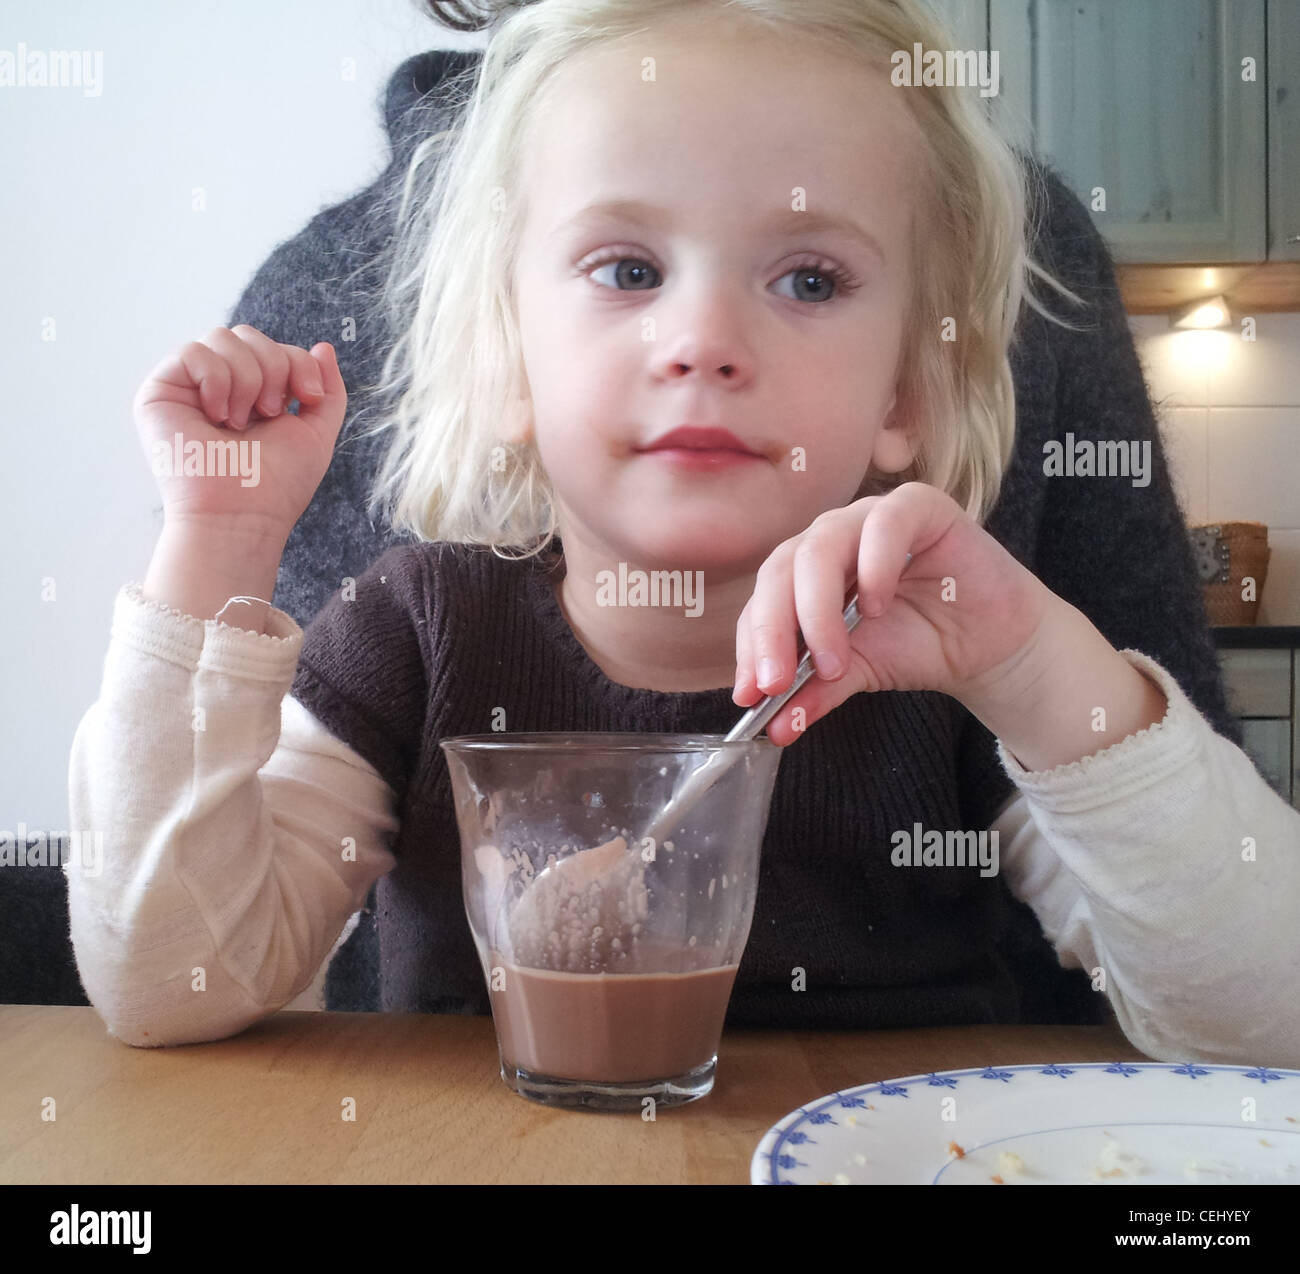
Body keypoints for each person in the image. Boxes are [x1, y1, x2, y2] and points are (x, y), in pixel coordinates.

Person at [67, 0, 1300, 1066]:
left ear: (907, 394)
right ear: (510, 364)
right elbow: (175, 982)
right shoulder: (412, 635)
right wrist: (217, 545)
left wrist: (1034, 666)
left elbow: (1261, 1017)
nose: (703, 337)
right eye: (624, 270)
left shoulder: (946, 668)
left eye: (808, 280)